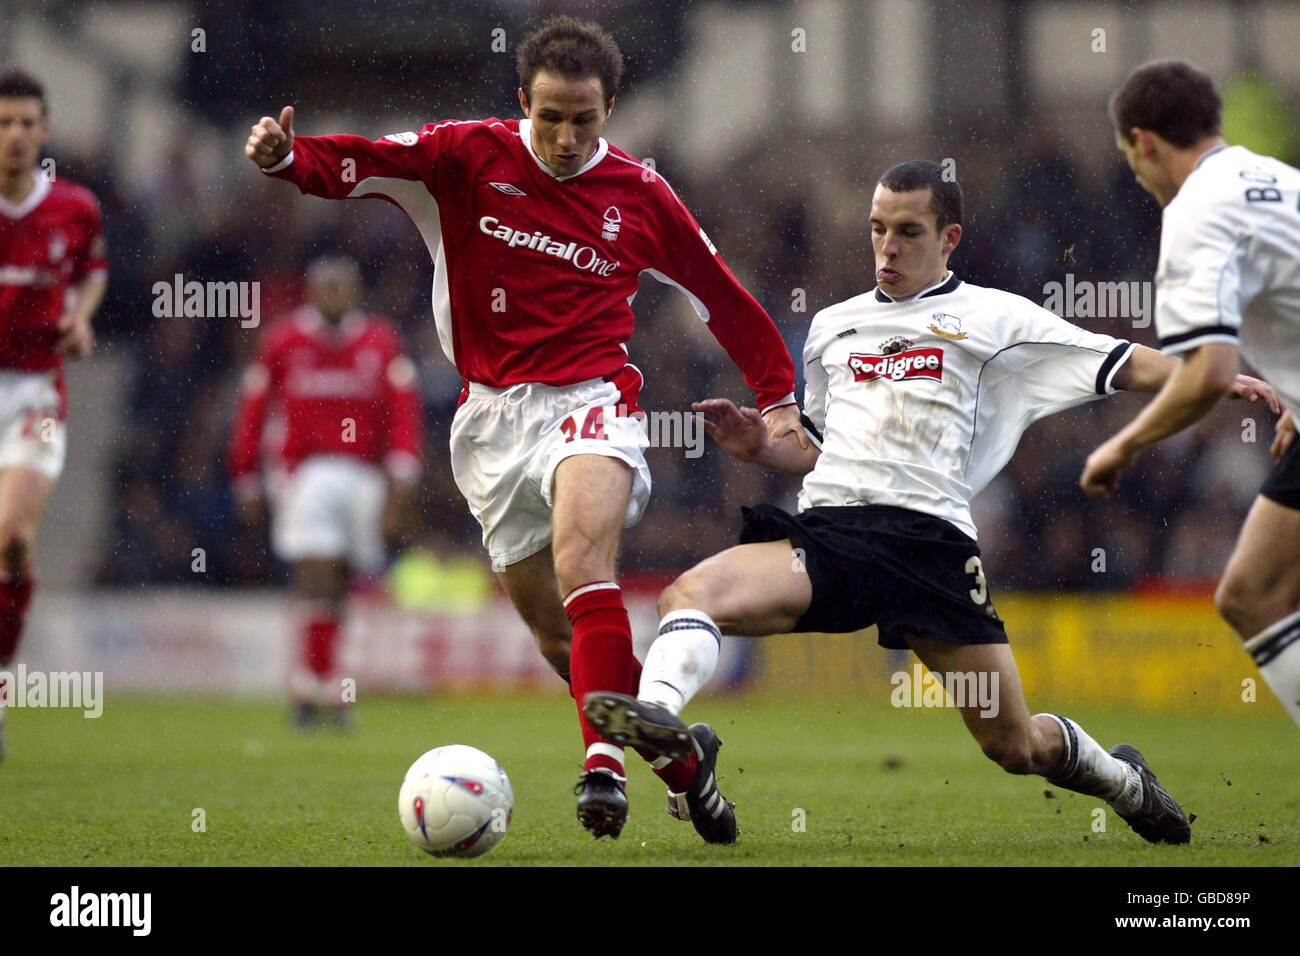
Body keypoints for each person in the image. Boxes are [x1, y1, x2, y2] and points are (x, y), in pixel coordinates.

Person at [584, 159, 1276, 844]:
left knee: (1014, 745)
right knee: (686, 597)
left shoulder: (993, 316)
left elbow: (1113, 357)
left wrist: (1204, 378)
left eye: (909, 231)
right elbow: (818, 445)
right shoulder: (833, 327)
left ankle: (1125, 781)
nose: (888, 245)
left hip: (929, 549)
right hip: (832, 537)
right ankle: (667, 729)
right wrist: (762, 446)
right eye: (878, 228)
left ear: (950, 238)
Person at [243, 17, 799, 840]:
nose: (567, 137)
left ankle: (601, 773)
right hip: (490, 421)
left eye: (585, 119)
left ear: (611, 109)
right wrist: (291, 159)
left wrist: (778, 394)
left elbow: (720, 294)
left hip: (593, 400)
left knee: (583, 563)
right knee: (552, 634)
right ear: (521, 103)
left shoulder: (642, 195)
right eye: (550, 117)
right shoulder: (463, 154)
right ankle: (685, 763)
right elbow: (364, 164)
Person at [1080, 59, 1300, 734]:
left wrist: (1121, 444)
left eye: (1129, 157)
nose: (1137, 176)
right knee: (1252, 592)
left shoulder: (1196, 210)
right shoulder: (1282, 181)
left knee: (1252, 593)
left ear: (1143, 142)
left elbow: (1207, 373)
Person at [229, 256, 422, 726]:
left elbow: (403, 413)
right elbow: (255, 406)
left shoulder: (381, 341)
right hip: (304, 473)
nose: (335, 295)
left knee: (345, 580)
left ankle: (330, 681)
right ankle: (308, 687)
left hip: (364, 475)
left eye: (343, 287)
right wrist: (246, 473)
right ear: (311, 293)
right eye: (326, 287)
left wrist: (403, 476)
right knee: (314, 572)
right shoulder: (283, 341)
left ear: (355, 292)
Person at [0, 70, 107, 759]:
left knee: (12, 539)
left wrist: (81, 316)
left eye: (26, 123)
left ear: (44, 131)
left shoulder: (75, 208)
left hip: (35, 390)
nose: (15, 136)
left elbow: (93, 270)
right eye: (3, 123)